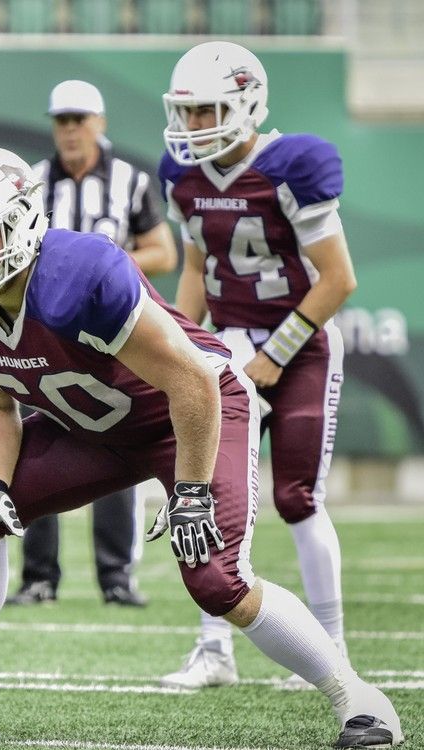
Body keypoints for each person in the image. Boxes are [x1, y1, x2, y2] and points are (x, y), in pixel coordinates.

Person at [0, 146, 401, 748]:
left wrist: (191, 492)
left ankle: (359, 699)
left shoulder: (82, 274)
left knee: (215, 579)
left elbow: (193, 381)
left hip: (193, 413)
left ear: (21, 222)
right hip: (96, 430)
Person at [157, 40, 356, 692]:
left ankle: (331, 648)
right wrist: (180, 349)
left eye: (208, 110)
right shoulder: (182, 174)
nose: (194, 125)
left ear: (246, 104)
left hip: (301, 346)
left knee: (297, 498)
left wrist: (273, 357)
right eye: (187, 111)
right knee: (203, 494)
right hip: (229, 346)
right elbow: (195, 268)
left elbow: (338, 279)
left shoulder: (292, 166)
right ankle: (213, 648)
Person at [8, 79, 178, 607]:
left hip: (112, 334)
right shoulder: (31, 183)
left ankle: (116, 577)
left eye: (79, 119)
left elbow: (163, 252)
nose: (70, 130)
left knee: (119, 444)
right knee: (35, 448)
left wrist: (100, 272)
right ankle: (38, 577)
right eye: (61, 120)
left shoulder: (130, 181)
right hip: (43, 333)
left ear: (99, 123)